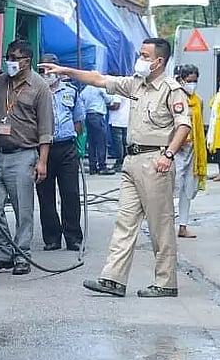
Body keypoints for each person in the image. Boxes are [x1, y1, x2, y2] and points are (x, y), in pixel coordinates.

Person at [41, 37, 192, 299]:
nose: (140, 59)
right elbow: (99, 79)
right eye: (140, 54)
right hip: (131, 161)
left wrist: (168, 155)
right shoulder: (136, 84)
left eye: (145, 56)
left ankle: (166, 282)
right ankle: (113, 279)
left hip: (155, 161)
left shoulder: (171, 90)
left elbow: (183, 126)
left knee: (160, 225)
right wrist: (66, 71)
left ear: (159, 61)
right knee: (124, 222)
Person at [0, 39, 53, 276]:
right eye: (8, 56)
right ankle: (1, 252)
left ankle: (22, 255)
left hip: (22, 155)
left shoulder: (39, 86)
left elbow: (45, 128)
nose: (10, 61)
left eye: (15, 57)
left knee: (23, 207)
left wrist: (42, 161)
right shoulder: (1, 83)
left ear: (26, 60)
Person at [36, 54, 86, 251]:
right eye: (42, 71)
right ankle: (52, 238)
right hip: (42, 150)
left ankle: (73, 237)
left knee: (71, 193)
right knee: (45, 195)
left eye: (50, 70)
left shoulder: (71, 92)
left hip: (66, 148)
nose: (47, 74)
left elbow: (78, 122)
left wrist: (78, 146)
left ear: (59, 70)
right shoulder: (35, 93)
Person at [174, 64, 208, 239]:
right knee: (171, 188)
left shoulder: (198, 101)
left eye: (195, 81)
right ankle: (162, 226)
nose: (192, 84)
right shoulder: (174, 98)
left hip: (192, 150)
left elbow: (198, 126)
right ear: (180, 80)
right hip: (175, 151)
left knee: (188, 190)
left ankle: (183, 226)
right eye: (189, 81)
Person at [79, 82, 112, 175]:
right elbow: (108, 99)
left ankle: (92, 167)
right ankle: (102, 166)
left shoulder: (85, 90)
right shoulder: (99, 88)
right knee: (101, 142)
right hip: (98, 115)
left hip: (88, 116)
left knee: (91, 143)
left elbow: (81, 101)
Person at [108, 93, 128, 173]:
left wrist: (106, 106)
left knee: (118, 143)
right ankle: (125, 161)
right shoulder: (126, 91)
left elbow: (116, 106)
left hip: (117, 121)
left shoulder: (117, 93)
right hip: (125, 120)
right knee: (124, 142)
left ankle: (120, 162)